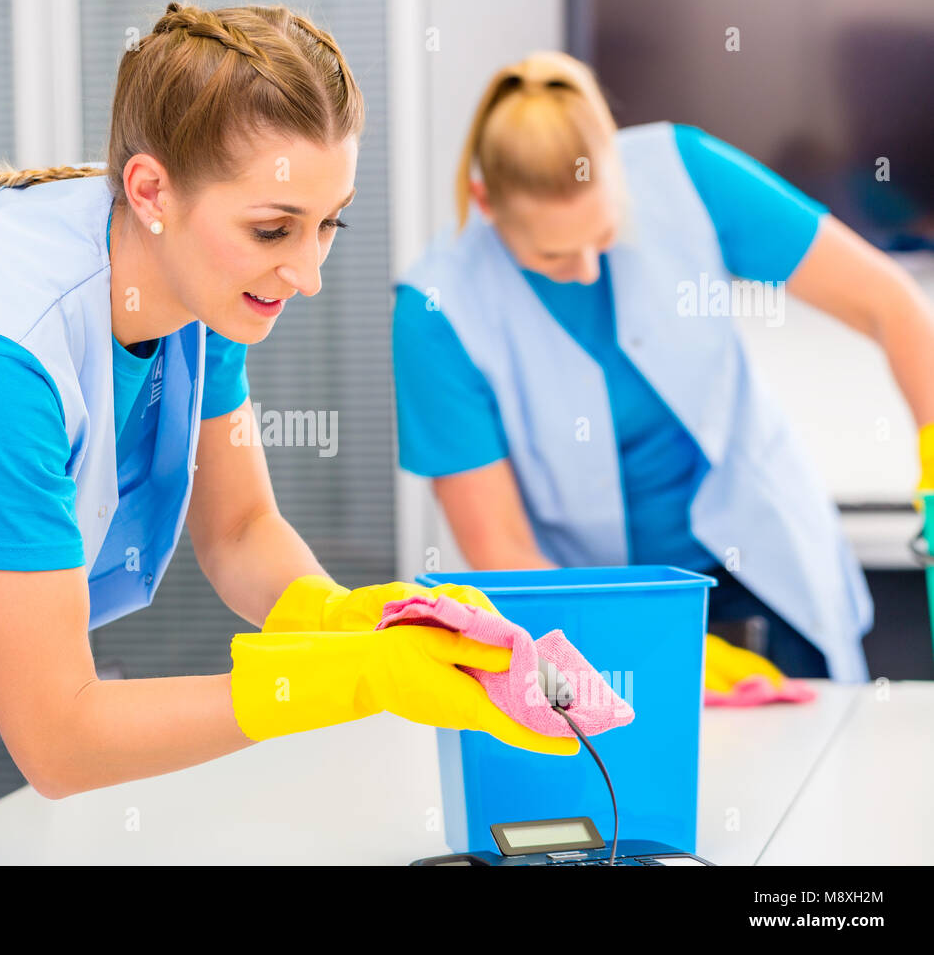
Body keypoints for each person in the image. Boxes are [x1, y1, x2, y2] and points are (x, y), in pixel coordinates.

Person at [0, 3, 575, 868]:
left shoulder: (189, 286)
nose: (307, 271)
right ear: (151, 187)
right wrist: (348, 681)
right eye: (273, 228)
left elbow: (240, 531)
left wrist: (344, 619)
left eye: (328, 225)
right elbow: (60, 739)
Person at [393, 51, 934, 683]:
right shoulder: (436, 313)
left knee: (812, 760)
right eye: (555, 253)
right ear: (485, 203)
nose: (589, 270)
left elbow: (891, 306)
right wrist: (654, 659)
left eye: (603, 234)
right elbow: (504, 549)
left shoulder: (685, 173)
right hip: (594, 603)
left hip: (767, 564)